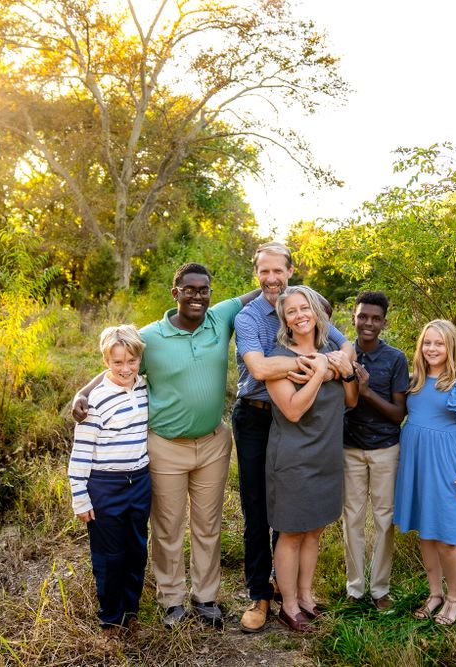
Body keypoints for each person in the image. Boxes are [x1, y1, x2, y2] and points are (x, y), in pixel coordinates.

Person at [73, 263, 260, 630]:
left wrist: (286, 286)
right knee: (168, 527)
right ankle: (172, 599)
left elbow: (260, 291)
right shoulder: (150, 337)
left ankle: (206, 597)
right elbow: (117, 361)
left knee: (208, 525)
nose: (197, 296)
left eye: (203, 290)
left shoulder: (219, 317)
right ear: (175, 293)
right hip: (165, 446)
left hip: (212, 444)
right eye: (188, 290)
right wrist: (83, 391)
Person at [232, 242, 352, 633]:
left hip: (306, 429)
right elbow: (262, 367)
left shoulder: (304, 305)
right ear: (256, 274)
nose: (270, 278)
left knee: (302, 519)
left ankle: (297, 594)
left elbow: (344, 346)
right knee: (259, 511)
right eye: (263, 272)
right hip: (257, 416)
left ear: (289, 270)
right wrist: (315, 366)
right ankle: (260, 593)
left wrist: (336, 366)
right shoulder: (249, 317)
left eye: (277, 271)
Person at [264, 286, 359, 632]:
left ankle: (305, 596)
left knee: (315, 529)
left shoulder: (332, 348)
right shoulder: (278, 357)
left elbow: (350, 400)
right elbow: (291, 410)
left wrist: (344, 370)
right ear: (284, 320)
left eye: (305, 308)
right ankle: (287, 606)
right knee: (291, 531)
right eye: (292, 311)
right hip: (293, 455)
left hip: (327, 453)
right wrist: (319, 372)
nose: (300, 315)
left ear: (317, 312)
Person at [393, 319, 456, 626]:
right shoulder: (415, 380)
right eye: (427, 343)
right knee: (426, 530)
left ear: (451, 347)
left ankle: (455, 597)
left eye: (439, 344)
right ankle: (434, 594)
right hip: (417, 464)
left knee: (447, 535)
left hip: (447, 463)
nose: (431, 349)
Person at [67, 325, 150, 639]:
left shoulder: (143, 387)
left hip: (140, 482)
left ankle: (131, 612)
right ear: (106, 362)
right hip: (105, 486)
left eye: (131, 361)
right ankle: (110, 620)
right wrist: (80, 496)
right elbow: (81, 454)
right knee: (109, 556)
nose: (126, 368)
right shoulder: (95, 401)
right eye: (118, 363)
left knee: (136, 551)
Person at [342, 291, 409, 610]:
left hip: (385, 449)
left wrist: (366, 392)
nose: (368, 323)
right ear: (353, 318)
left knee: (384, 519)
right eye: (362, 316)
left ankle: (380, 589)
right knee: (352, 518)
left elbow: (399, 413)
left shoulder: (395, 358)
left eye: (375, 318)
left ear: (384, 322)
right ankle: (355, 589)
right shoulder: (342, 354)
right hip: (348, 449)